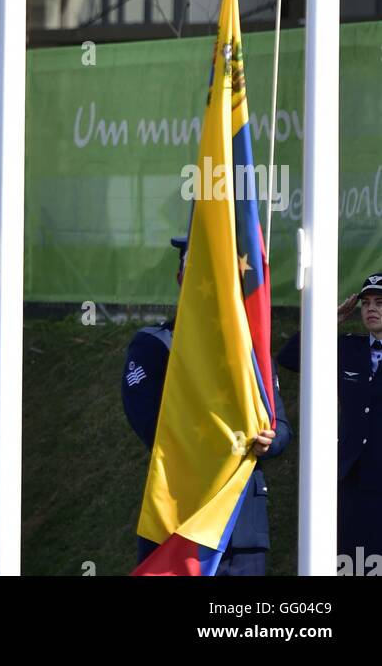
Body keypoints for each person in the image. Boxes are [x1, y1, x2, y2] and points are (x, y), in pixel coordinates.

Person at [122, 237, 291, 576]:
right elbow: (153, 427)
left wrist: (270, 440)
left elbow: (283, 428)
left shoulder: (252, 352)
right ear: (181, 276)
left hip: (242, 524)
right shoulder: (153, 346)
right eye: (198, 269)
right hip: (183, 516)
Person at [278, 272, 382, 564]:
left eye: (380, 302)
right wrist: (326, 323)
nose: (371, 309)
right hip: (349, 484)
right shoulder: (348, 348)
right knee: (347, 565)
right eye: (366, 303)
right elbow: (289, 357)